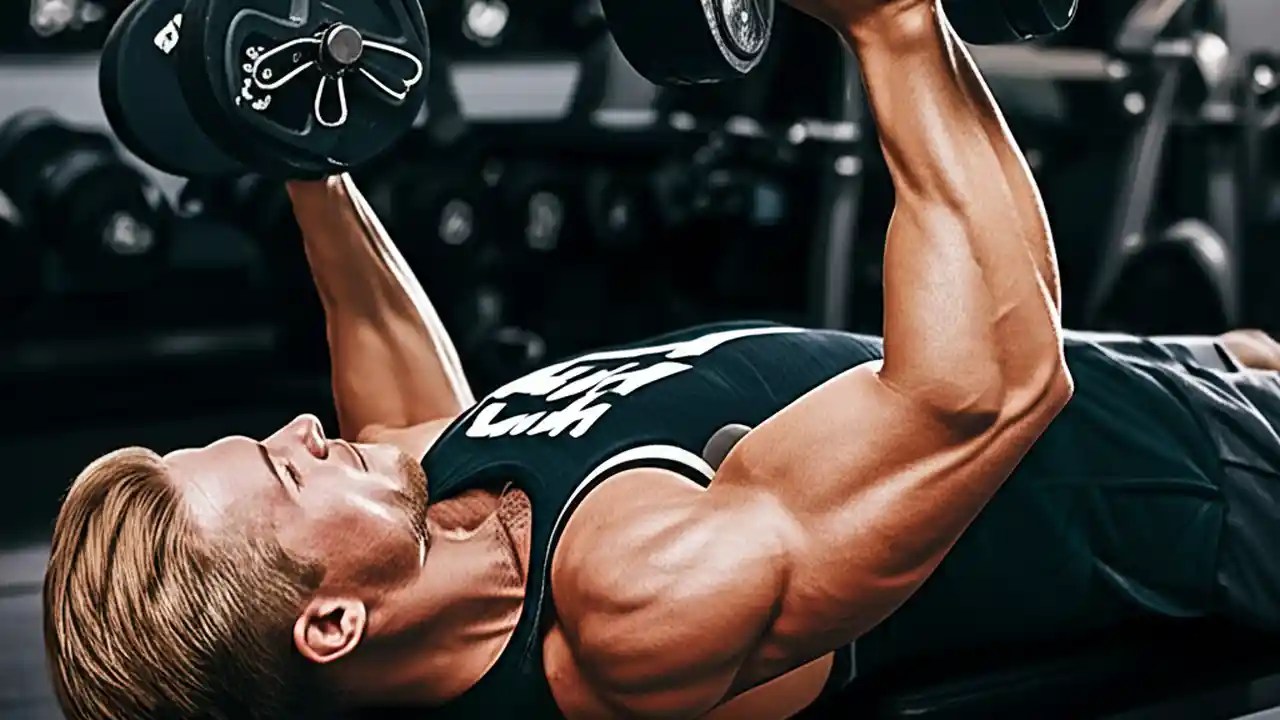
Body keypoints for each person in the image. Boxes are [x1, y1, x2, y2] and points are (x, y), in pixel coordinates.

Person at [42, 1, 1280, 718]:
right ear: (331, 622)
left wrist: (307, 159)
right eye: (283, 464)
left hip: (1164, 381)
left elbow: (408, 402)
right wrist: (894, 25)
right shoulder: (638, 604)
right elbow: (987, 390)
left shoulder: (436, 522)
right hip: (1217, 495)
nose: (310, 429)